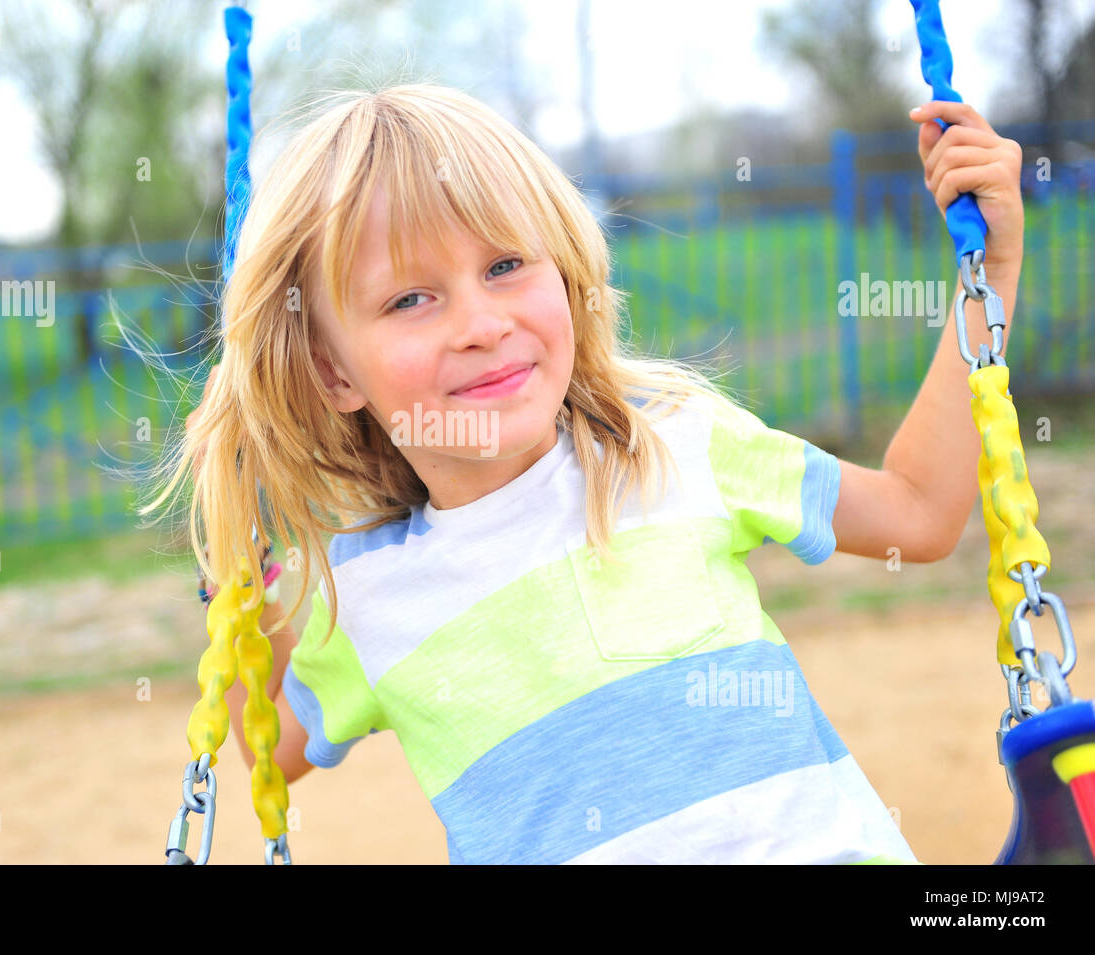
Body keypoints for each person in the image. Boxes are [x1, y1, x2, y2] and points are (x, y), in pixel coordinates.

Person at [150, 84, 1024, 864]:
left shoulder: (679, 448)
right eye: (411, 298)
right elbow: (277, 743)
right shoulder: (374, 593)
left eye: (504, 266)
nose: (482, 323)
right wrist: (238, 557)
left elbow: (919, 512)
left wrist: (993, 271)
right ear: (334, 373)